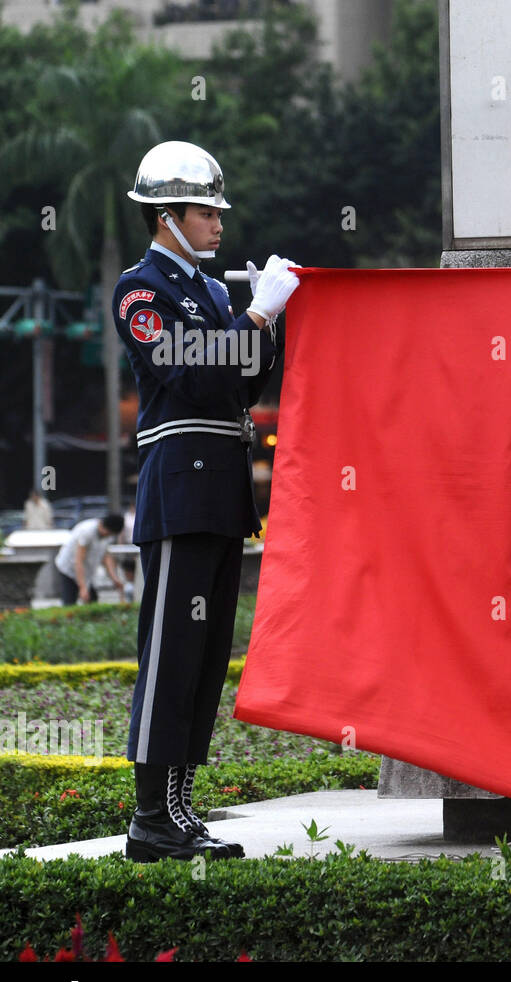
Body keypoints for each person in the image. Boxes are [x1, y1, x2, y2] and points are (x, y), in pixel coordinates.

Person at [113, 140, 299, 862]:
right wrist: (254, 321)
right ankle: (149, 818)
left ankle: (180, 811)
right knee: (169, 656)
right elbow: (189, 371)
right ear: (166, 218)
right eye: (204, 211)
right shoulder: (141, 290)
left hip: (220, 492)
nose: (219, 223)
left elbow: (244, 387)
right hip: (179, 487)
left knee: (204, 656)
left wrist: (262, 323)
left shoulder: (215, 294)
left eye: (219, 211)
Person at [54, 514, 126, 605]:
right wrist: (82, 587)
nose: (109, 536)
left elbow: (106, 557)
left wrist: (114, 578)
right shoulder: (87, 531)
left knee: (92, 598)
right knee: (69, 602)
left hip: (86, 571)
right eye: (109, 533)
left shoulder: (107, 536)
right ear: (105, 528)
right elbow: (78, 561)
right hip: (69, 568)